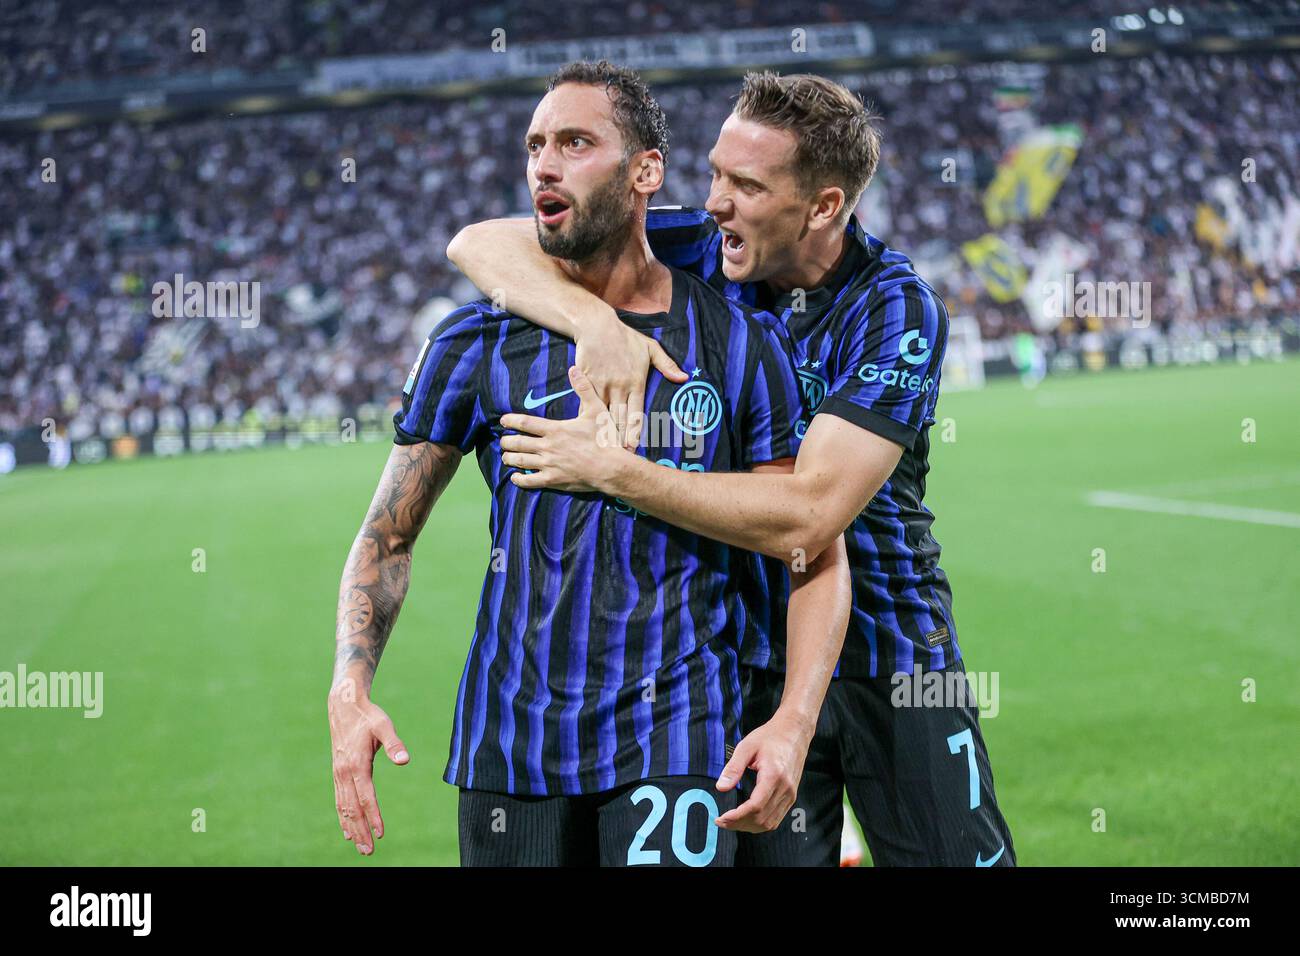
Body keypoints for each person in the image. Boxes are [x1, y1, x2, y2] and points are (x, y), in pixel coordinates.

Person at [447, 71, 1016, 866]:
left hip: (893, 653)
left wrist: (612, 470)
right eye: (715, 172)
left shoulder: (895, 309)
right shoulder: (712, 248)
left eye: (744, 184)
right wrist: (591, 323)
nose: (714, 201)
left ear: (822, 207)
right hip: (752, 659)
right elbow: (480, 241)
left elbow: (810, 515)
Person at [327, 60, 850, 866]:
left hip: (679, 733)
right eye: (535, 144)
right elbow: (384, 540)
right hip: (511, 742)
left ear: (646, 172)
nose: (543, 162)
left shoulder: (741, 344)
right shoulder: (475, 343)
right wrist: (349, 689)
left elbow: (809, 548)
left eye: (575, 142)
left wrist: (793, 721)